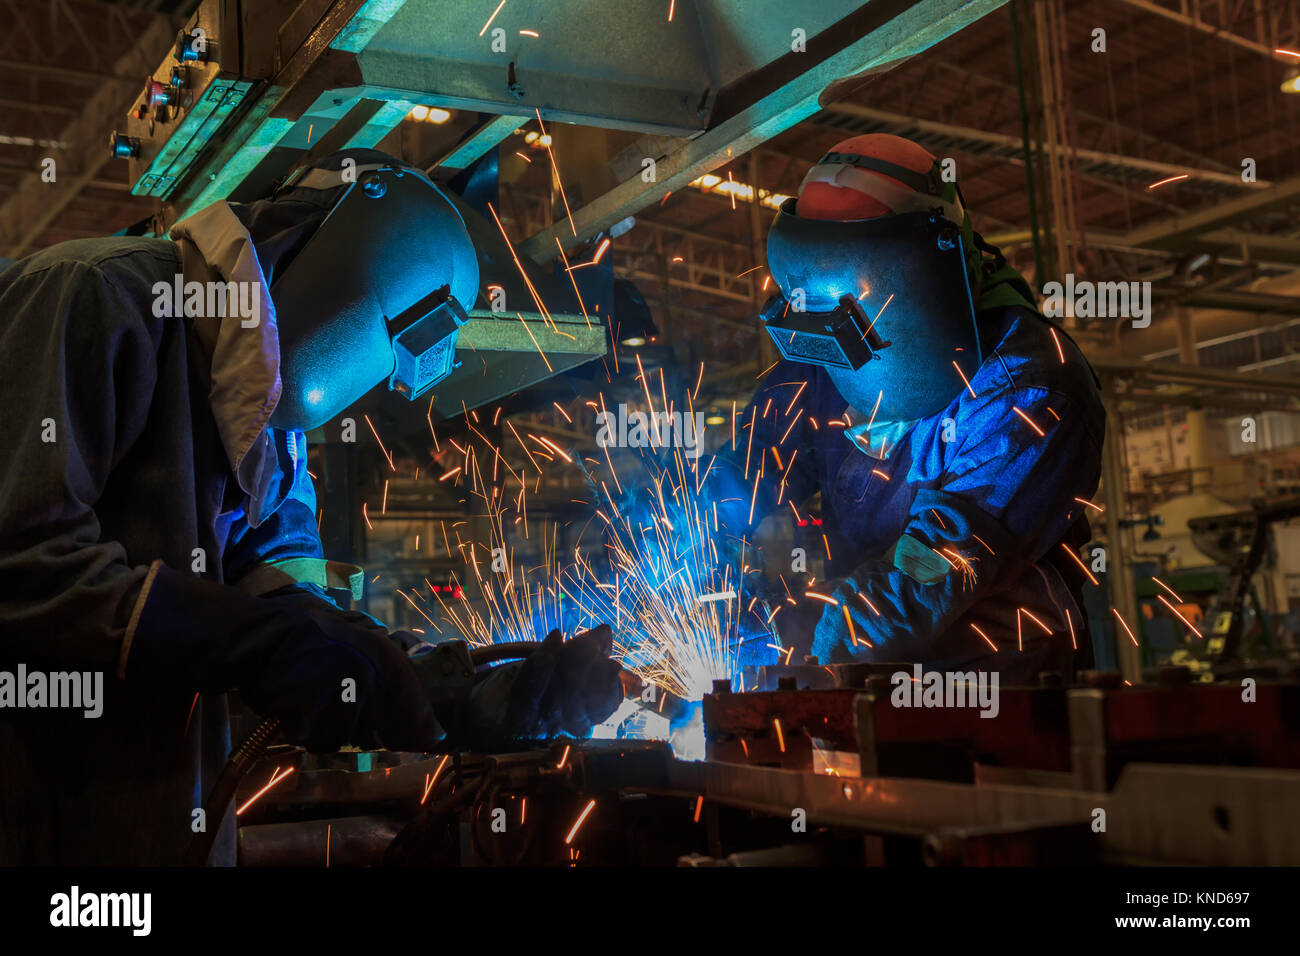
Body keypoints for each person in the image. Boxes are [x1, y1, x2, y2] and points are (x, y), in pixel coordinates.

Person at [0, 148, 621, 865]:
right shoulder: (94, 297)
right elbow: (22, 563)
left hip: (161, 833)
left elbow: (303, 625)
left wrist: (450, 693)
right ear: (350, 269)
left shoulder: (275, 440)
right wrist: (251, 642)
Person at [719, 134, 1104, 683]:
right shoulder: (821, 346)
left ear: (915, 268)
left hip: (998, 694)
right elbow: (752, 465)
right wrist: (699, 553)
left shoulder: (1027, 390)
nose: (833, 321)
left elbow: (924, 579)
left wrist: (792, 635)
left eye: (849, 286)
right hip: (864, 683)